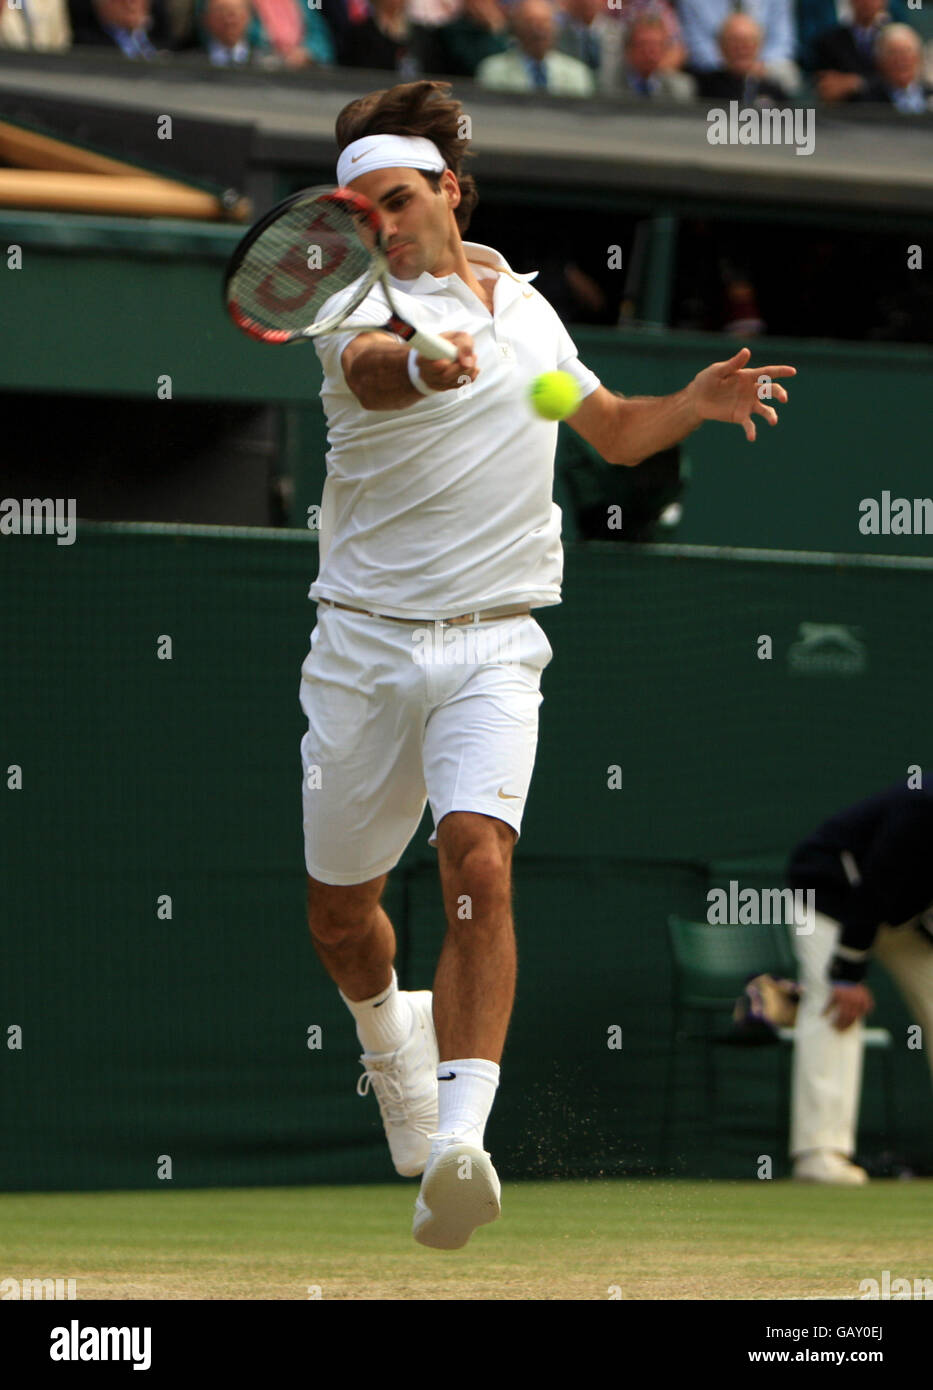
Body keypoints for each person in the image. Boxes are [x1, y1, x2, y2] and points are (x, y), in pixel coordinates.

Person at [301, 77, 795, 1249]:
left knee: (481, 860)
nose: (384, 222)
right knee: (339, 918)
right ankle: (390, 1042)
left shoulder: (527, 320)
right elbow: (377, 370)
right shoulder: (349, 310)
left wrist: (693, 401)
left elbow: (607, 423)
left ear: (451, 193)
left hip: (494, 641)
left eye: (402, 198)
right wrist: (427, 368)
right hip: (365, 645)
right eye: (361, 208)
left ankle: (461, 1145)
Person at [787, 782, 933, 1184]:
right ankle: (820, 1154)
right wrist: (847, 974)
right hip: (831, 895)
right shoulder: (922, 807)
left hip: (906, 918)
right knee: (836, 1009)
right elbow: (877, 883)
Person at [679, 0, 800, 94]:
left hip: (762, 64)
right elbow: (698, 47)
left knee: (786, 76)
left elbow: (782, 44)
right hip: (715, 68)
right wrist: (733, 64)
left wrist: (753, 64)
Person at [475, 0, 594, 94]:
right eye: (530, 22)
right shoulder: (493, 71)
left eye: (544, 22)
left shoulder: (577, 74)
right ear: (516, 28)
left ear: (555, 28)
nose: (538, 30)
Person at [696, 13, 791, 103]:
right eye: (734, 41)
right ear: (721, 46)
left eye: (748, 42)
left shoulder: (775, 92)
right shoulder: (703, 88)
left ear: (760, 45)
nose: (742, 49)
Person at [813, 0, 892, 102]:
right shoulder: (829, 42)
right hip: (845, 111)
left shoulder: (897, 40)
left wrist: (857, 83)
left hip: (887, 110)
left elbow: (899, 79)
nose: (867, 3)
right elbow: (827, 86)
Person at [610, 13, 695, 99]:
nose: (649, 52)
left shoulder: (679, 88)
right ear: (628, 49)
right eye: (643, 44)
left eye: (656, 45)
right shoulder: (609, 84)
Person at [858, 24, 933, 110]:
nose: (901, 61)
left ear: (918, 57)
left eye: (907, 52)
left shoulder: (930, 94)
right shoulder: (867, 100)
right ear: (880, 61)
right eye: (893, 53)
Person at [0, 0, 71, 48]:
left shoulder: (53, 2)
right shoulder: (10, 3)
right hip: (10, 63)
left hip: (48, 63)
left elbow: (62, 38)